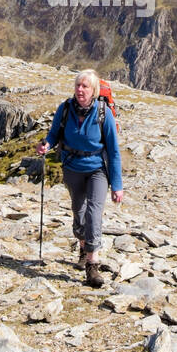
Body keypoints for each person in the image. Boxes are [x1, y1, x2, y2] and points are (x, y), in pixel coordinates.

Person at [37, 69, 124, 288]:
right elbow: (54, 133)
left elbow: (113, 152)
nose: (80, 90)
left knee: (94, 212)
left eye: (85, 86)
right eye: (78, 85)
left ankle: (92, 265)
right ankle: (83, 245)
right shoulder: (65, 109)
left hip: (97, 169)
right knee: (79, 212)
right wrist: (47, 144)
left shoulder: (104, 114)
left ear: (93, 90)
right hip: (72, 168)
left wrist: (117, 185)